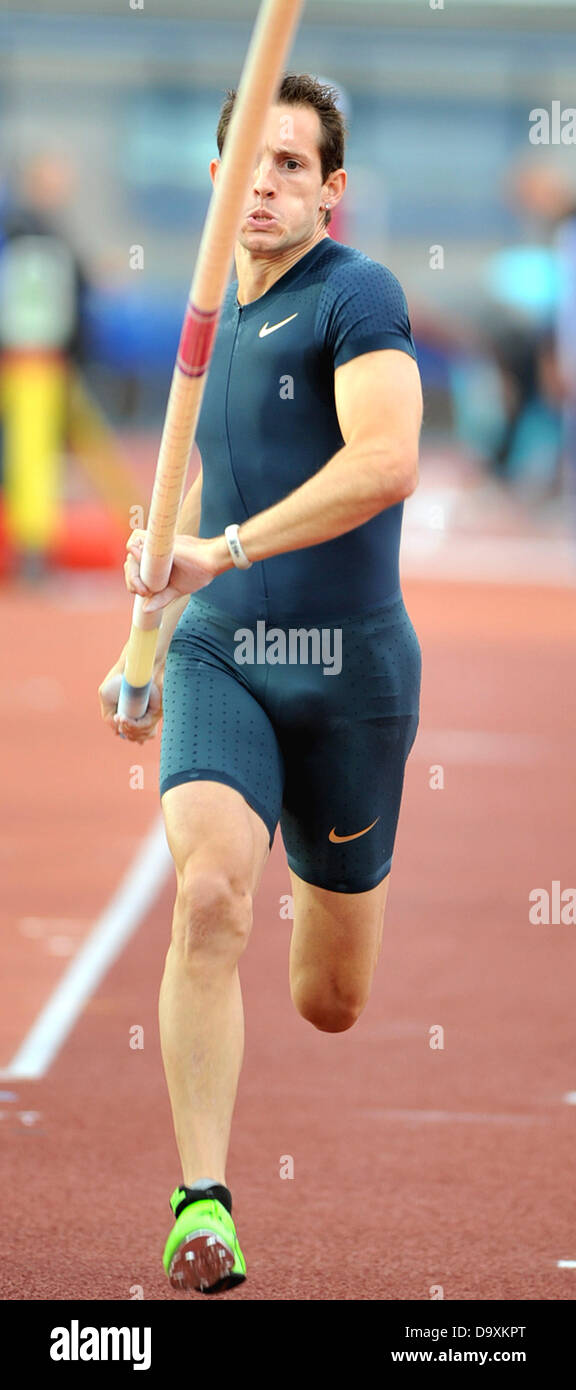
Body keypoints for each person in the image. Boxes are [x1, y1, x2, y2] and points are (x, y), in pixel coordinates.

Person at [99, 73, 423, 1296]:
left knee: (330, 1000)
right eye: (252, 161)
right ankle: (204, 1202)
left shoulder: (359, 298)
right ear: (222, 175)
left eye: (294, 165)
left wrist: (221, 549)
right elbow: (193, 495)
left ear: (331, 193)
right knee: (214, 896)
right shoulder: (208, 320)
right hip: (224, 649)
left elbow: (387, 461)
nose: (268, 184)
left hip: (350, 673)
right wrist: (143, 638)